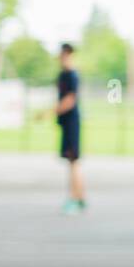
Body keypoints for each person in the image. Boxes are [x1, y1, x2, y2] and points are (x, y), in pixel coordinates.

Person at [54, 42, 85, 213]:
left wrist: (51, 111)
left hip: (72, 123)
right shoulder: (62, 76)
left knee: (73, 162)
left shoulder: (72, 75)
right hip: (65, 123)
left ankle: (74, 198)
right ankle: (80, 197)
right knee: (72, 162)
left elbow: (70, 100)